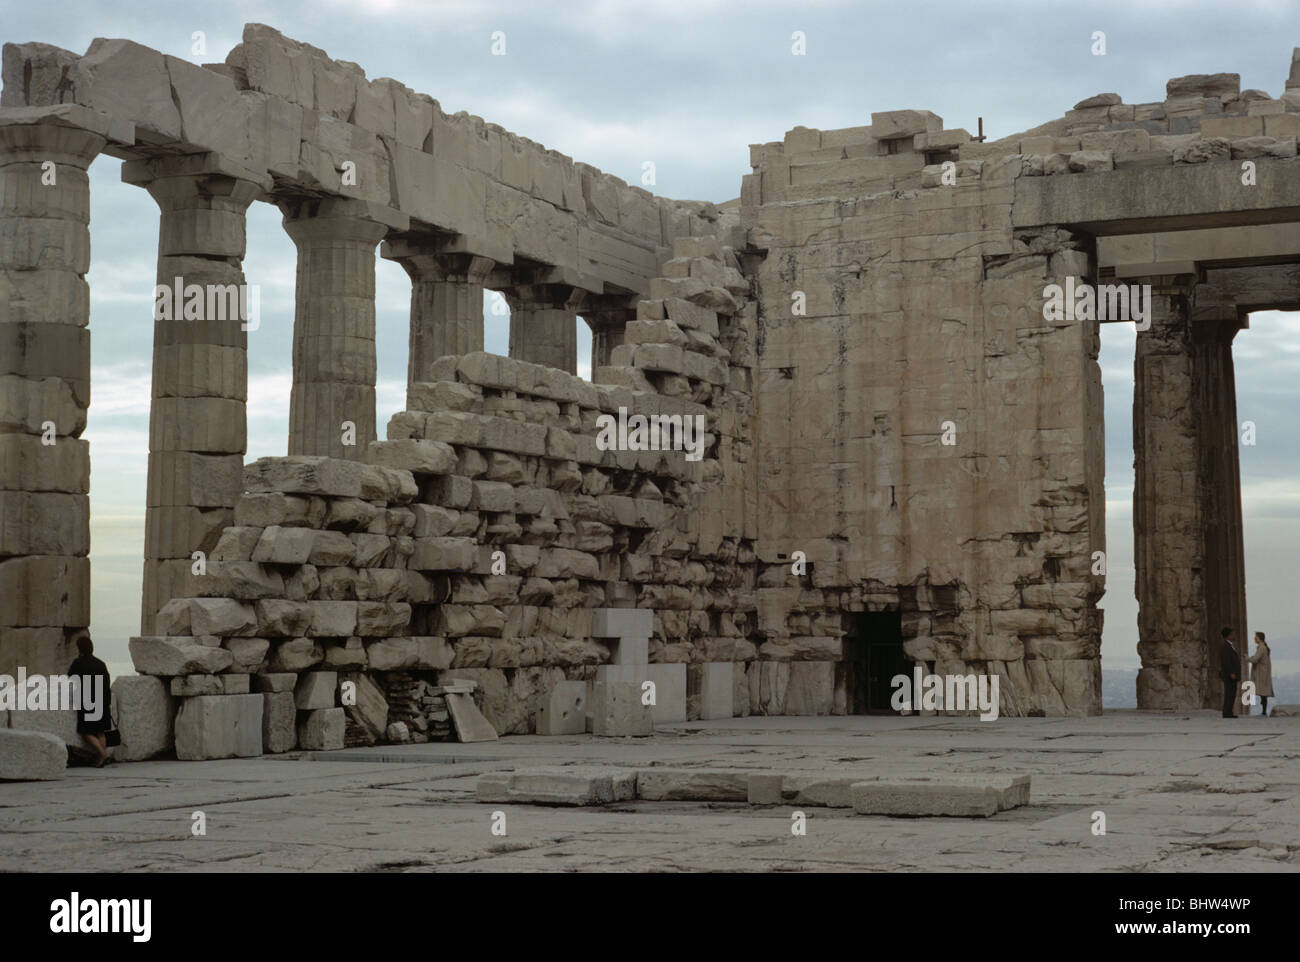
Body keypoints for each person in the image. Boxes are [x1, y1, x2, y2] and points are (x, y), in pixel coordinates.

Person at [67, 634, 112, 767]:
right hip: (102, 700)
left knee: (86, 731)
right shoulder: (100, 663)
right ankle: (100, 759)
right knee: (100, 731)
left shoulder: (78, 663)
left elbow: (70, 679)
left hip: (87, 700)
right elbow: (107, 683)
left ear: (79, 649)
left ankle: (103, 754)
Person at [1249, 632, 1273, 717]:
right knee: (1263, 694)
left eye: (1256, 637)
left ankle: (1263, 712)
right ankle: (1263, 712)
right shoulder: (1262, 647)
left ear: (1260, 638)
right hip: (1263, 673)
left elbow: (1255, 659)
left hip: (1261, 674)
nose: (1254, 639)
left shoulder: (1261, 648)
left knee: (1263, 693)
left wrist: (1247, 658)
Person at [1219, 627, 1241, 718]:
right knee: (1229, 693)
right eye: (1232, 634)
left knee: (1232, 693)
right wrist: (1231, 672)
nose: (1234, 635)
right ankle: (1227, 713)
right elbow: (1226, 661)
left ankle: (1229, 712)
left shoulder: (1229, 645)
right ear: (1228, 636)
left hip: (1232, 674)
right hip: (1230, 675)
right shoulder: (1225, 645)